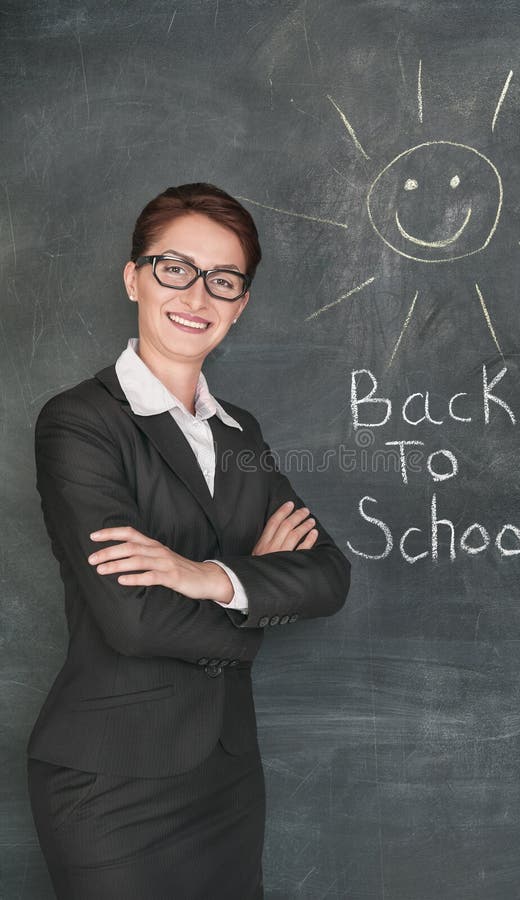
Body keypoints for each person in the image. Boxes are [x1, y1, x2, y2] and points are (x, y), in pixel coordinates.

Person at [26, 182, 351, 899]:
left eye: (223, 280)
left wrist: (205, 576)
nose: (197, 295)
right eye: (175, 268)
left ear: (240, 303)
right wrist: (256, 594)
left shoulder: (240, 435)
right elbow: (133, 619)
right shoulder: (79, 423)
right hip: (109, 783)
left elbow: (330, 575)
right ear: (134, 277)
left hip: (228, 781)